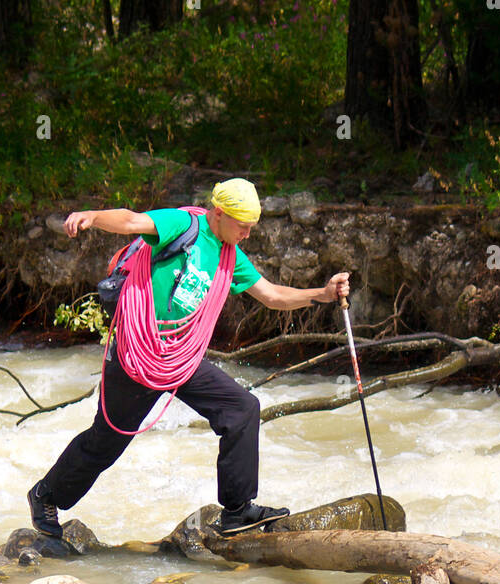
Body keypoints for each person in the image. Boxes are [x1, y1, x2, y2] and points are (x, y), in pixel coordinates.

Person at [28, 178, 350, 540]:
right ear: (219, 213)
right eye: (242, 226)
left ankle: (237, 510)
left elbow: (272, 295)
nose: (247, 234)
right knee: (107, 440)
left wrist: (322, 294)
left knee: (242, 408)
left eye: (250, 228)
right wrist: (92, 216)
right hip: (138, 350)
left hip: (180, 355)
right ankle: (45, 495)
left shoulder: (230, 254)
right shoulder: (184, 225)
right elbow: (133, 221)